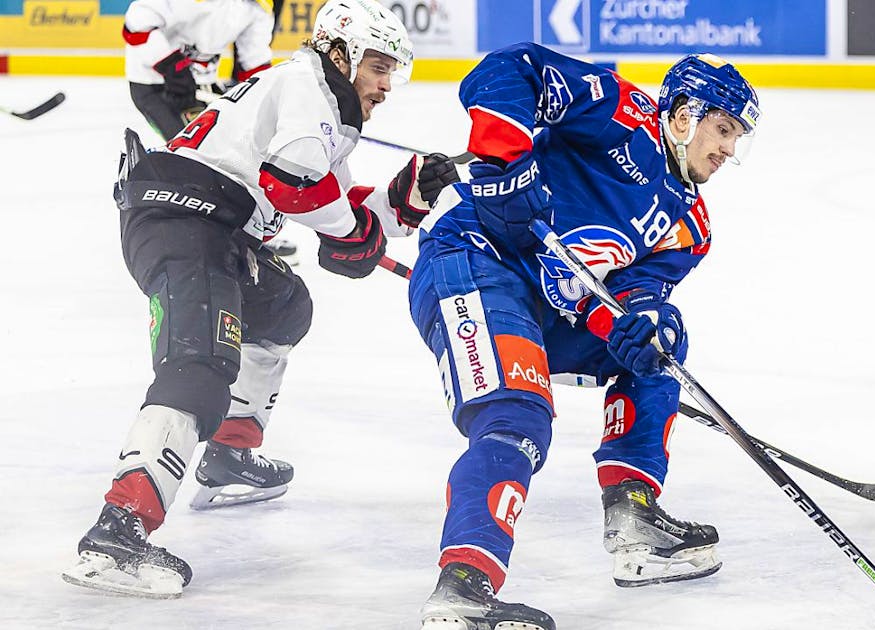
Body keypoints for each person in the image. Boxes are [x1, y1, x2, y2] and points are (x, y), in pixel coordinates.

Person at [61, 0, 459, 598]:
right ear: (340, 54)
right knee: (199, 366)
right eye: (378, 67)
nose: (385, 85)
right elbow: (294, 185)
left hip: (216, 226)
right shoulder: (304, 85)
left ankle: (230, 452)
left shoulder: (322, 109)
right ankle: (116, 531)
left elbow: (338, 210)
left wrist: (406, 197)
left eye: (391, 72)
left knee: (283, 307)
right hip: (186, 217)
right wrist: (353, 231)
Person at [408, 43, 760, 628]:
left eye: (737, 138)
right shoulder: (622, 113)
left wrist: (639, 326)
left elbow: (628, 297)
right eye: (722, 129)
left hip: (547, 310)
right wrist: (506, 164)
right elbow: (509, 70)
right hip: (474, 259)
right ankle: (463, 588)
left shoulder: (690, 226)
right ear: (683, 114)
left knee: (660, 350)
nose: (728, 149)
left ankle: (634, 513)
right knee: (517, 418)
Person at [122, 0, 299, 262]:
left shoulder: (257, 9)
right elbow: (137, 25)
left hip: (202, 86)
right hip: (155, 84)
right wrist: (174, 67)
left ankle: (249, 233)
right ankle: (192, 236)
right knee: (194, 161)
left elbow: (255, 65)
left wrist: (265, 101)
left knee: (241, 157)